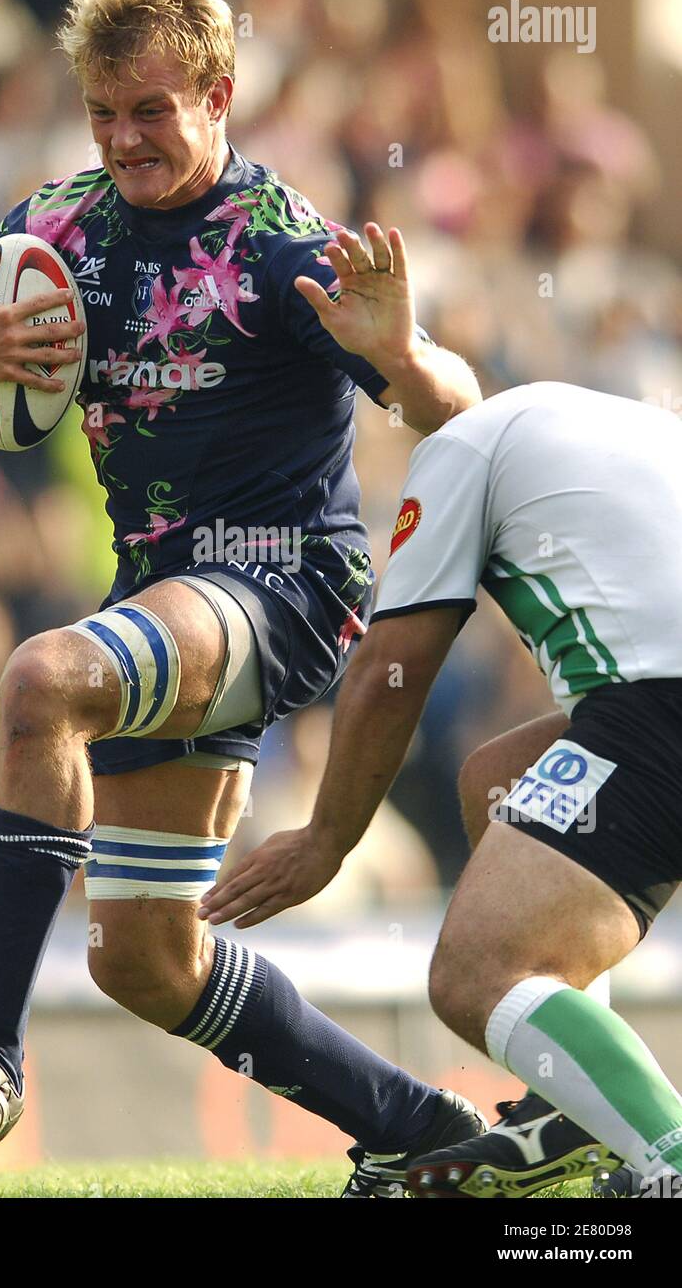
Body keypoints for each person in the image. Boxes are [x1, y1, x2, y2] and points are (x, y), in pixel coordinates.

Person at [0, 0, 483, 1196]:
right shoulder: (51, 230)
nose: (124, 139)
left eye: (151, 111)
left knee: (45, 677)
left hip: (284, 584)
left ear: (217, 94)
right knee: (144, 959)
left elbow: (455, 408)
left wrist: (405, 359)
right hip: (164, 597)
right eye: (104, 113)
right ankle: (430, 1132)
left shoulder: (283, 244)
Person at [202, 380, 682, 1198]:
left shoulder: (464, 445)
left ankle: (667, 1155)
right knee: (498, 782)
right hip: (649, 704)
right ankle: (570, 1111)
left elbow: (392, 672)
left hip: (660, 709)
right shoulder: (621, 421)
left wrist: (328, 841)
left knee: (474, 976)